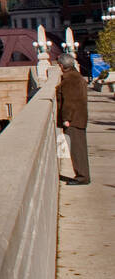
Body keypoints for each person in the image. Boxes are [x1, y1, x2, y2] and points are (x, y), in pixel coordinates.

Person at [57, 53, 90, 185]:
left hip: (73, 119)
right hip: (79, 117)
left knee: (77, 150)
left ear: (61, 65)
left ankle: (82, 177)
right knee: (79, 149)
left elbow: (70, 101)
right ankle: (83, 175)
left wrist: (66, 119)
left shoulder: (70, 79)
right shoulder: (76, 77)